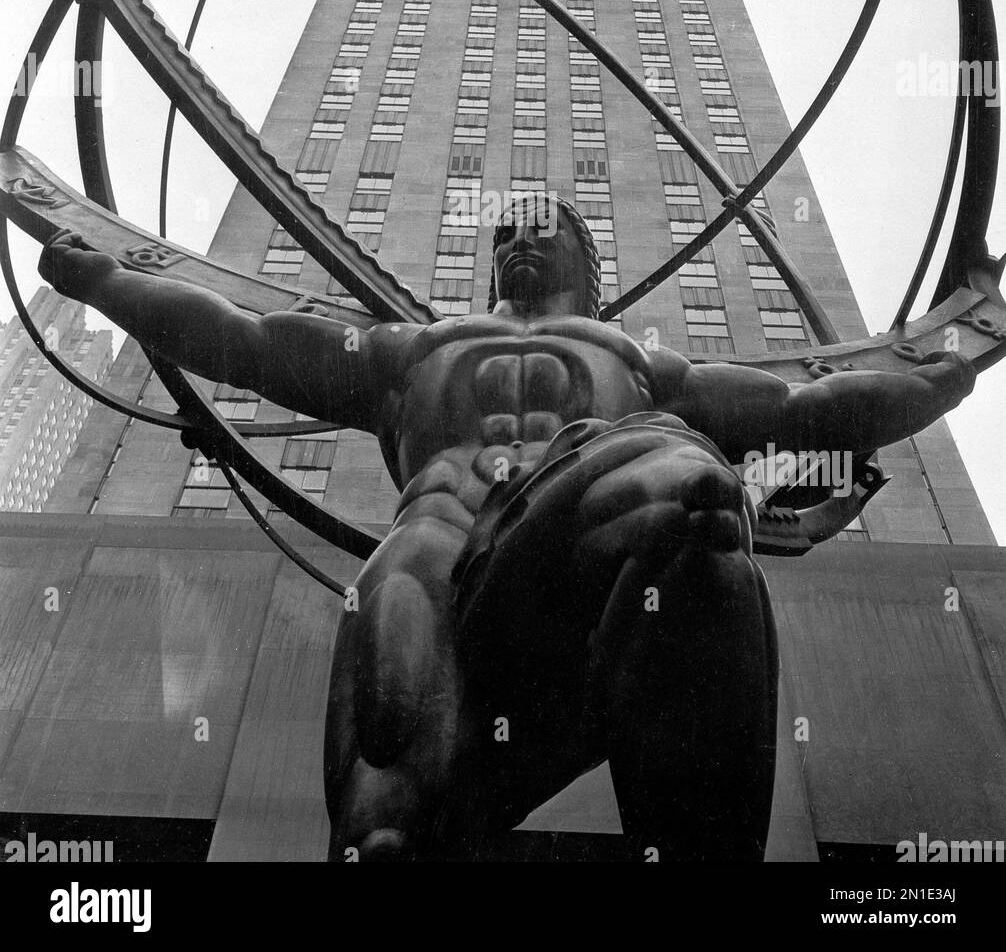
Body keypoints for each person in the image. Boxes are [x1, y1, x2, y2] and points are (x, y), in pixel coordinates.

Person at [40, 198, 974, 861]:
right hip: (441, 548)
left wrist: (942, 376)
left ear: (589, 266)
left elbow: (802, 405)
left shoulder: (643, 365)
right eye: (509, 230)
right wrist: (106, 282)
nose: (523, 239)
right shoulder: (413, 349)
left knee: (687, 495)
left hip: (582, 525)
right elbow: (238, 339)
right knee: (394, 685)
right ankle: (389, 829)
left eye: (546, 228)